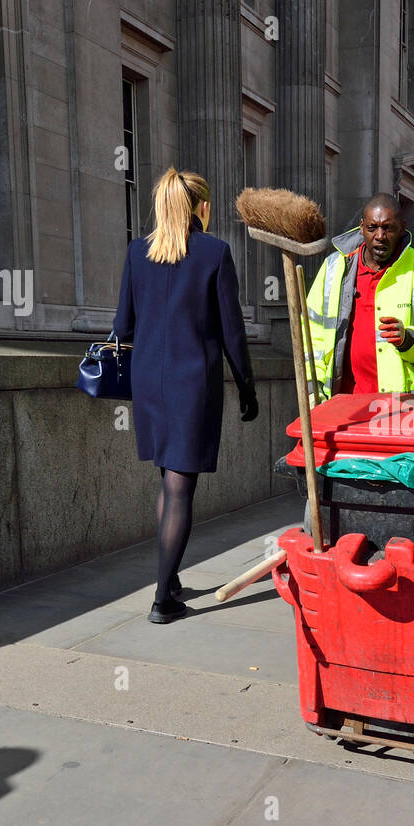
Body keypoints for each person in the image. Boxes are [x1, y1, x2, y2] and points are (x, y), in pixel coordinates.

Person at [113, 167, 257, 623]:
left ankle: (170, 577)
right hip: (191, 382)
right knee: (180, 486)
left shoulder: (138, 253)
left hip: (149, 384)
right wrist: (246, 386)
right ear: (202, 206)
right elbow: (232, 331)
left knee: (167, 479)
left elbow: (123, 327)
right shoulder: (214, 252)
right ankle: (162, 599)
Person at [305, 194, 414, 398]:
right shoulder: (334, 267)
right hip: (343, 403)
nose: (380, 236)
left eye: (388, 228)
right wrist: (313, 388)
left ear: (402, 227)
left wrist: (407, 339)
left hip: (400, 406)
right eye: (373, 228)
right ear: (362, 227)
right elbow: (311, 334)